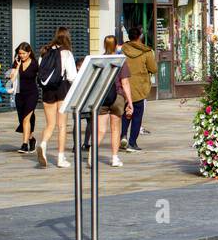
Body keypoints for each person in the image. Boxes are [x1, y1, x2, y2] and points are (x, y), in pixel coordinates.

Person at [35, 27, 78, 168]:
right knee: (62, 126)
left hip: (47, 90)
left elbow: (41, 71)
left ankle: (43, 143)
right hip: (62, 88)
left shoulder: (45, 51)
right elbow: (72, 76)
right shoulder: (66, 52)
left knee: (50, 124)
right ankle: (60, 158)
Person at [88, 35, 132, 168]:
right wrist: (129, 101)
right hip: (117, 96)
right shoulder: (121, 61)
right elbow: (125, 83)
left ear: (104, 45)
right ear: (117, 45)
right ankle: (114, 157)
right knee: (115, 128)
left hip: (102, 97)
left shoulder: (99, 60)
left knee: (100, 130)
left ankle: (92, 152)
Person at [121, 26, 157, 151]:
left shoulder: (123, 49)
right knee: (137, 116)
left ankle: (122, 136)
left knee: (125, 113)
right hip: (139, 88)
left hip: (124, 86)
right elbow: (153, 69)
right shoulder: (146, 52)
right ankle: (132, 142)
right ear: (140, 36)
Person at [11, 43, 39, 152]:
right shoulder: (16, 63)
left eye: (23, 53)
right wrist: (17, 66)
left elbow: (42, 76)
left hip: (32, 94)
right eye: (19, 53)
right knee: (22, 120)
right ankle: (31, 139)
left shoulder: (35, 64)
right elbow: (12, 79)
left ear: (29, 53)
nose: (21, 55)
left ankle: (24, 144)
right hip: (19, 94)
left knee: (26, 119)